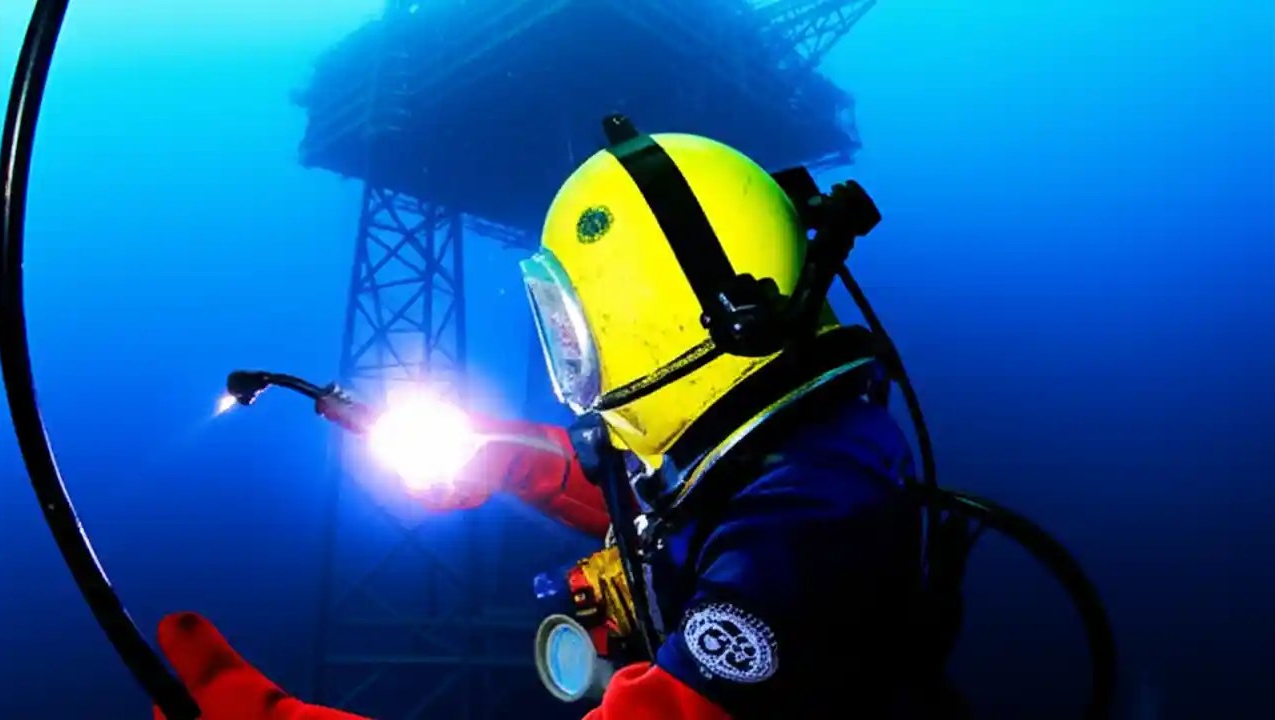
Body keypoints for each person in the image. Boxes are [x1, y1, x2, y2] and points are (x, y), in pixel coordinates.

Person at [156, 124, 943, 719]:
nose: (570, 352)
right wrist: (493, 454)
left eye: (576, 326)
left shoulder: (809, 518)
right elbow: (645, 498)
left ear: (671, 315)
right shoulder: (794, 453)